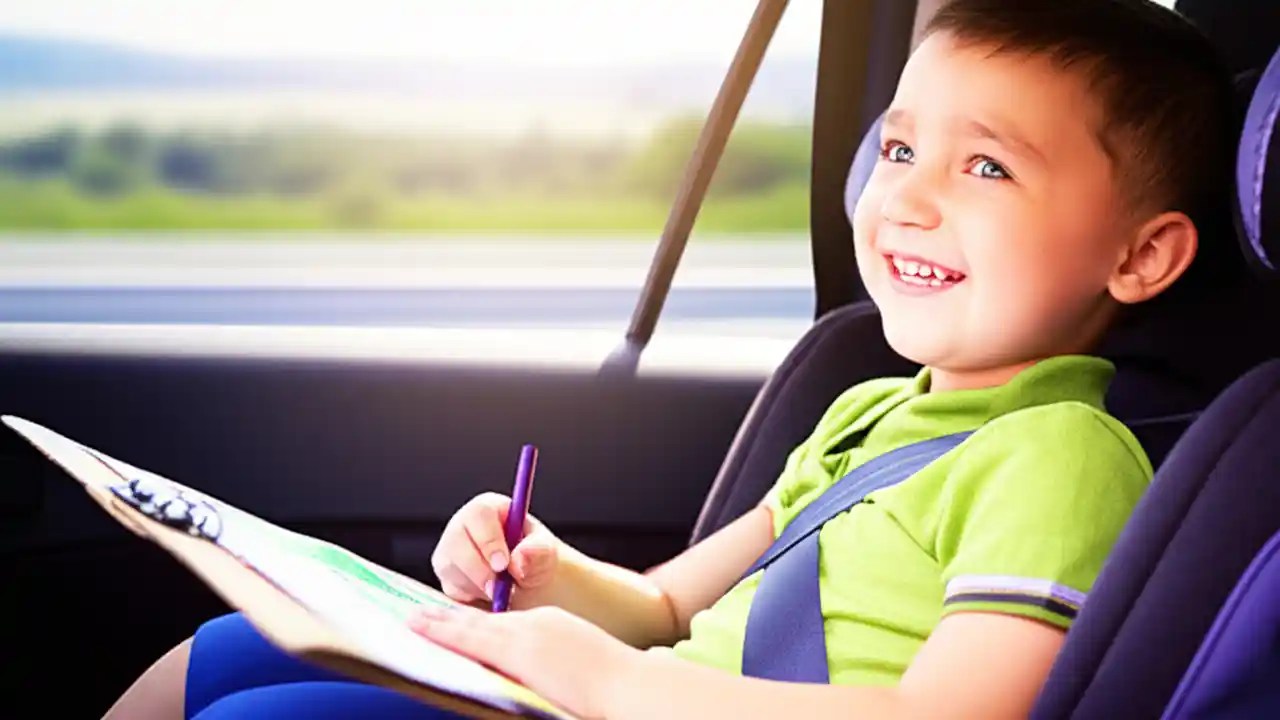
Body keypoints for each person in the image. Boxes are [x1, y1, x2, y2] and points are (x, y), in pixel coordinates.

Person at [103, 1, 1239, 718]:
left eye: (985, 168)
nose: (906, 195)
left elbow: (956, 714)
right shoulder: (869, 418)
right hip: (631, 700)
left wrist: (613, 685)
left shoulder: (1061, 455)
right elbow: (656, 605)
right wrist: (551, 577)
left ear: (1139, 256)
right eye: (895, 146)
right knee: (225, 653)